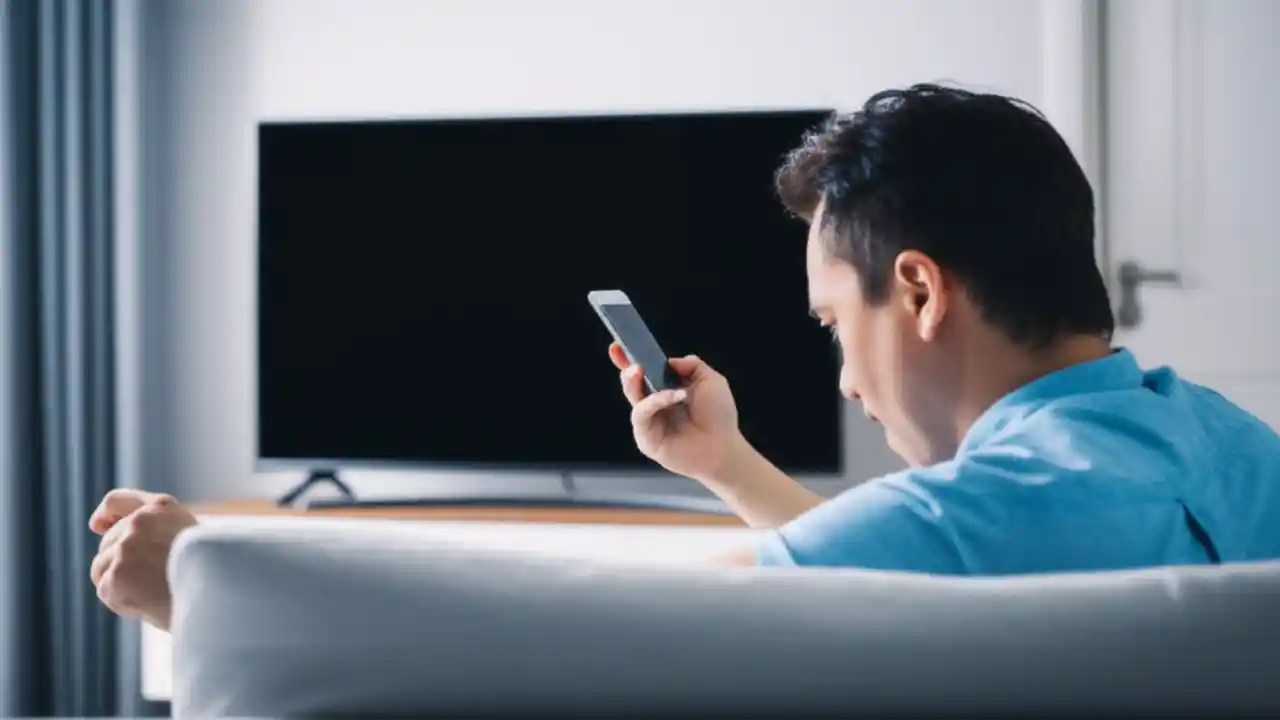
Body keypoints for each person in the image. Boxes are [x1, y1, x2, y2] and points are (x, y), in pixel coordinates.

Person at [89, 84, 1280, 632]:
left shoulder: (964, 518)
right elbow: (867, 583)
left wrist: (207, 584)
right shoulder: (1229, 450)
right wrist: (726, 464)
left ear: (915, 290)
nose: (846, 385)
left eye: (832, 328)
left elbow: (561, 652)